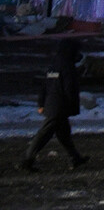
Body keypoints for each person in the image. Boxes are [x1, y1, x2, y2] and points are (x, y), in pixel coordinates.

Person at [20, 38, 88, 171]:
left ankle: (75, 158)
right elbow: (70, 88)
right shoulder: (68, 67)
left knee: (64, 134)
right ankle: (27, 160)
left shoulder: (54, 65)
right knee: (43, 135)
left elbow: (44, 86)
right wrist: (71, 106)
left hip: (51, 105)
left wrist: (41, 103)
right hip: (60, 107)